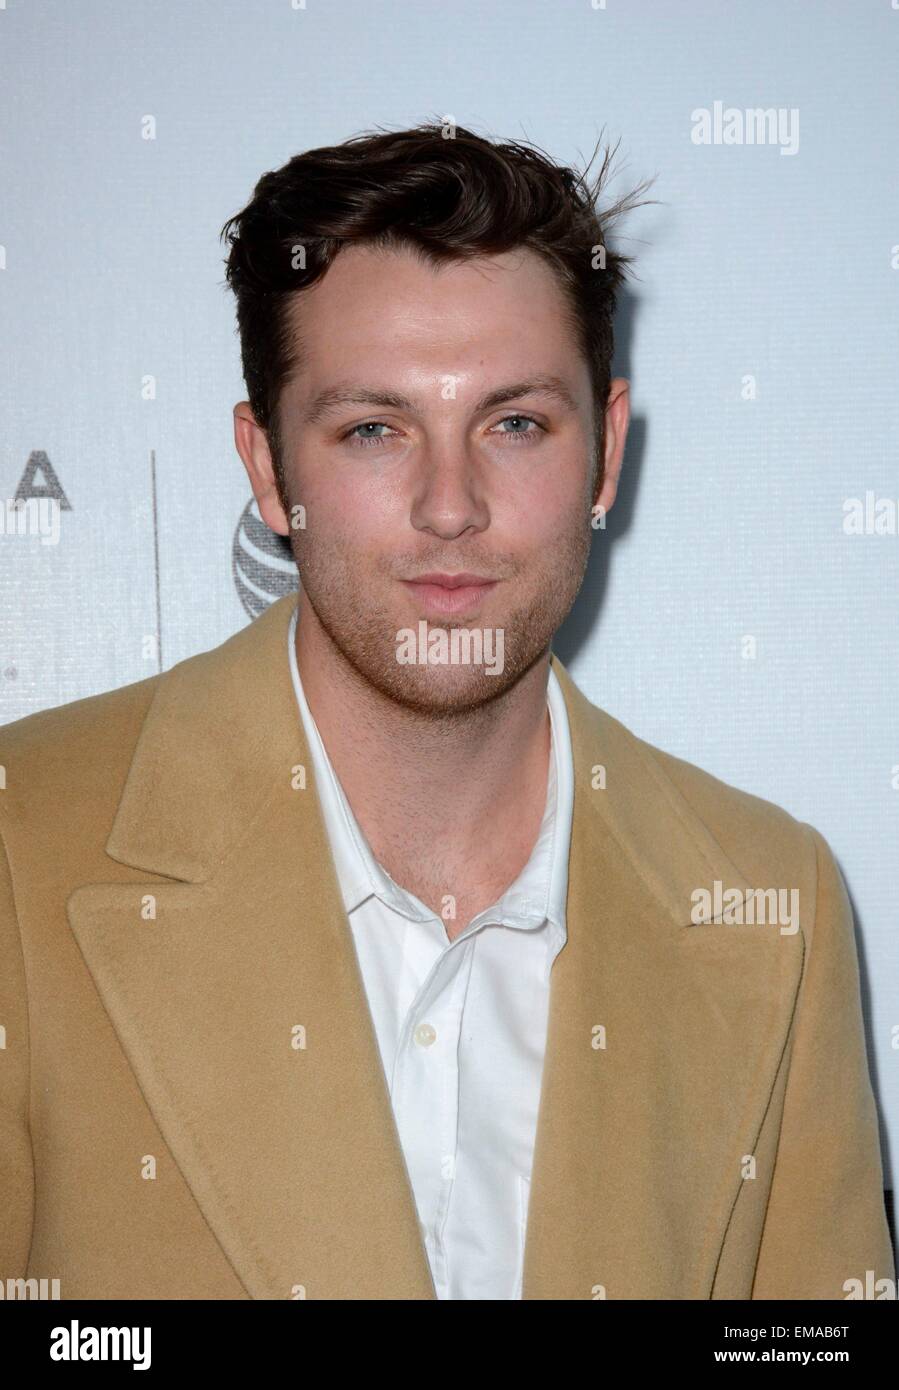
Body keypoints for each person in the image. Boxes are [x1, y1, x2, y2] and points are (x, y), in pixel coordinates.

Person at [0, 124, 893, 1300]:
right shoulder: (23, 846)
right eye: (373, 428)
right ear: (267, 468)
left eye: (512, 422)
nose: (449, 506)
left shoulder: (772, 903)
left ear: (605, 451)